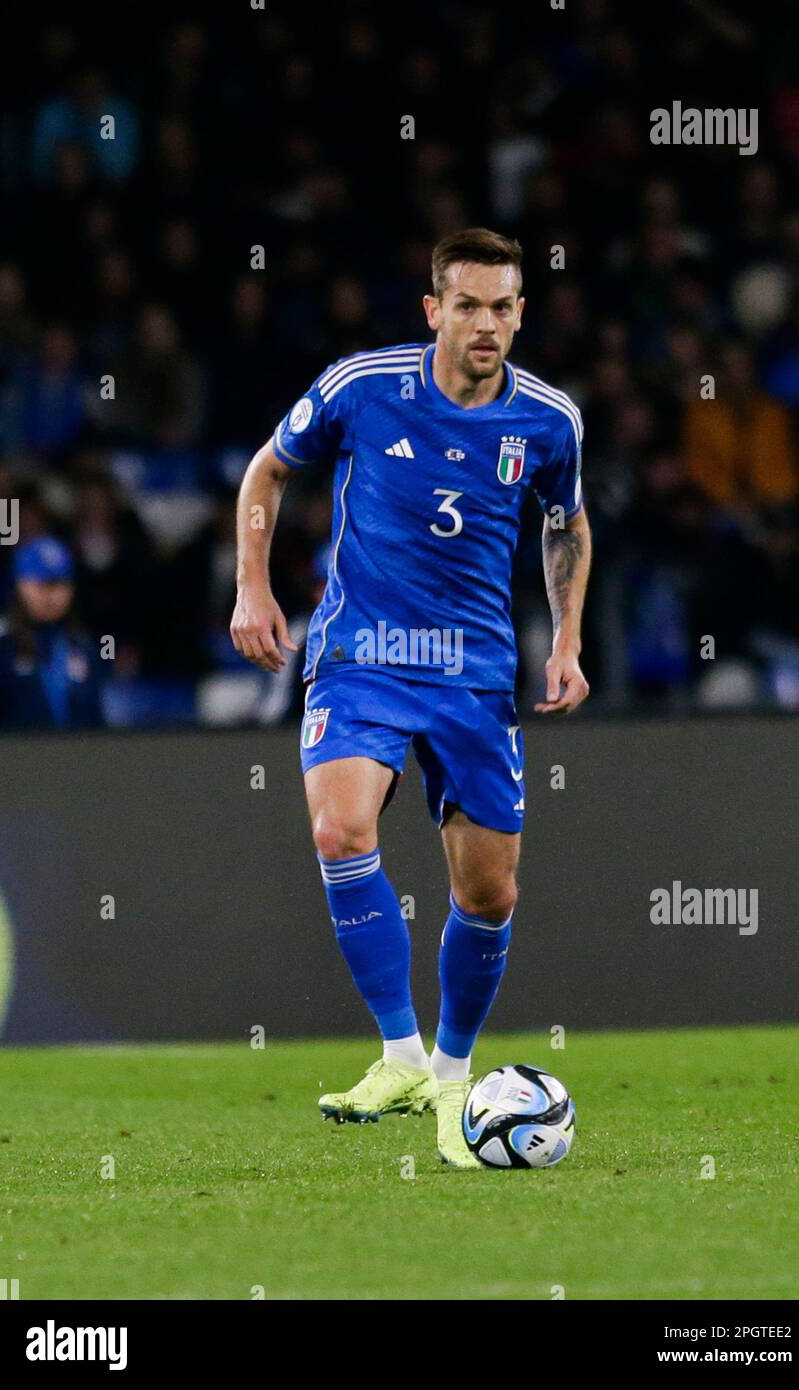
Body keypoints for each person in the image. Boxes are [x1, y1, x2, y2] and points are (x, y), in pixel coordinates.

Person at [231, 228, 591, 1167]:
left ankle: (452, 1076)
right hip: (365, 654)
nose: (486, 324)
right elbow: (266, 470)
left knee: (490, 890)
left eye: (503, 306)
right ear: (434, 310)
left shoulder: (549, 421)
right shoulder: (362, 386)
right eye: (467, 305)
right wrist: (254, 588)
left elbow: (567, 524)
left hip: (473, 674)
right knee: (340, 830)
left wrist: (569, 637)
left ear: (521, 311)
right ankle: (399, 1055)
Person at [0, 537, 103, 731]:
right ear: (21, 585)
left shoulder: (82, 645)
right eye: (44, 584)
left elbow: (97, 723)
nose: (54, 595)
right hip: (14, 758)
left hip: (76, 758)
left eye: (62, 584)